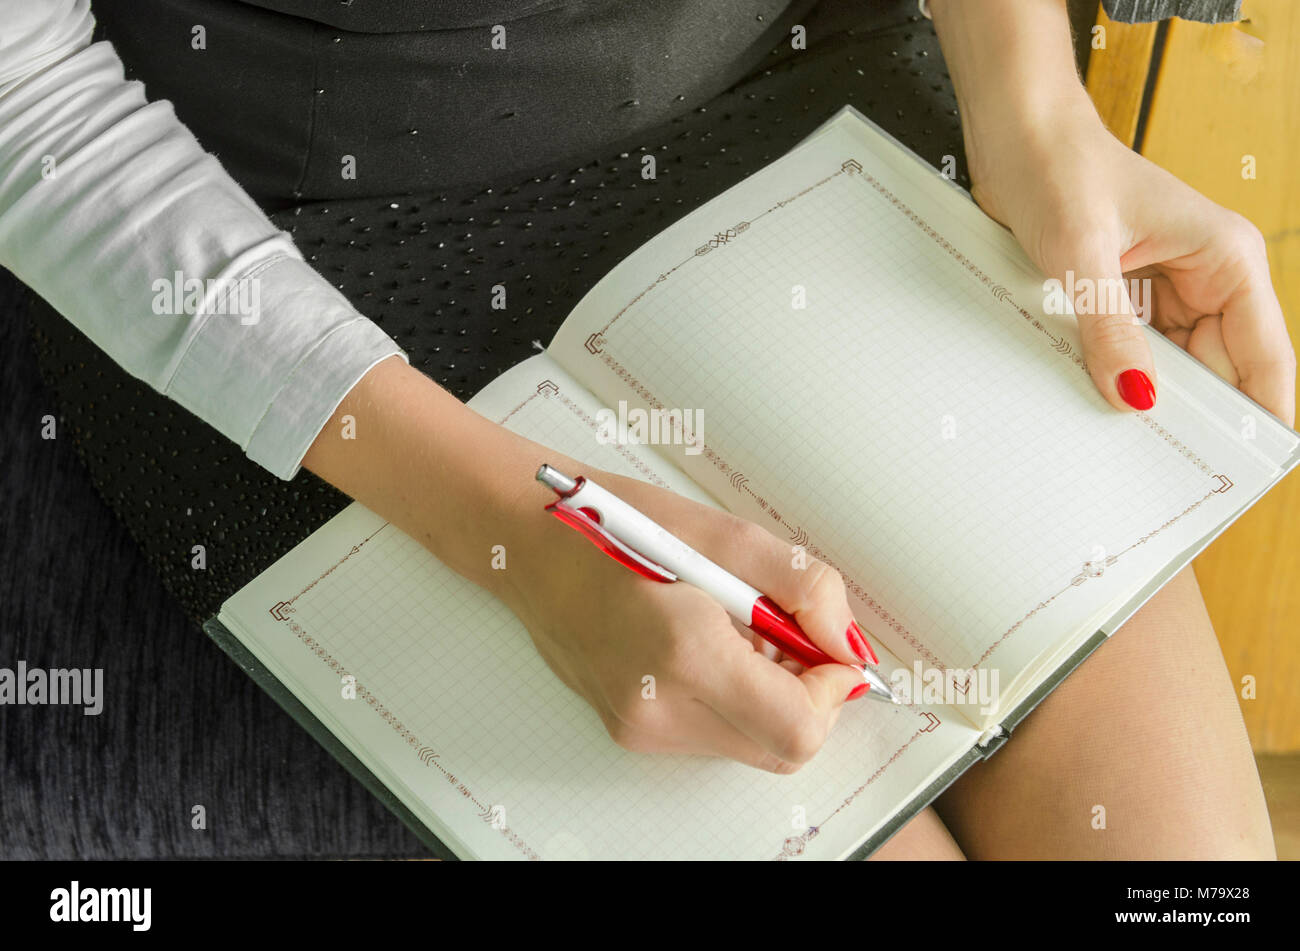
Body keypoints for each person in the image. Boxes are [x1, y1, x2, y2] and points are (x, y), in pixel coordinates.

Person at [1, 0, 1290, 859]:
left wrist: (1034, 109)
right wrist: (520, 532)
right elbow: (29, 104)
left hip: (796, 108)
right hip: (293, 267)